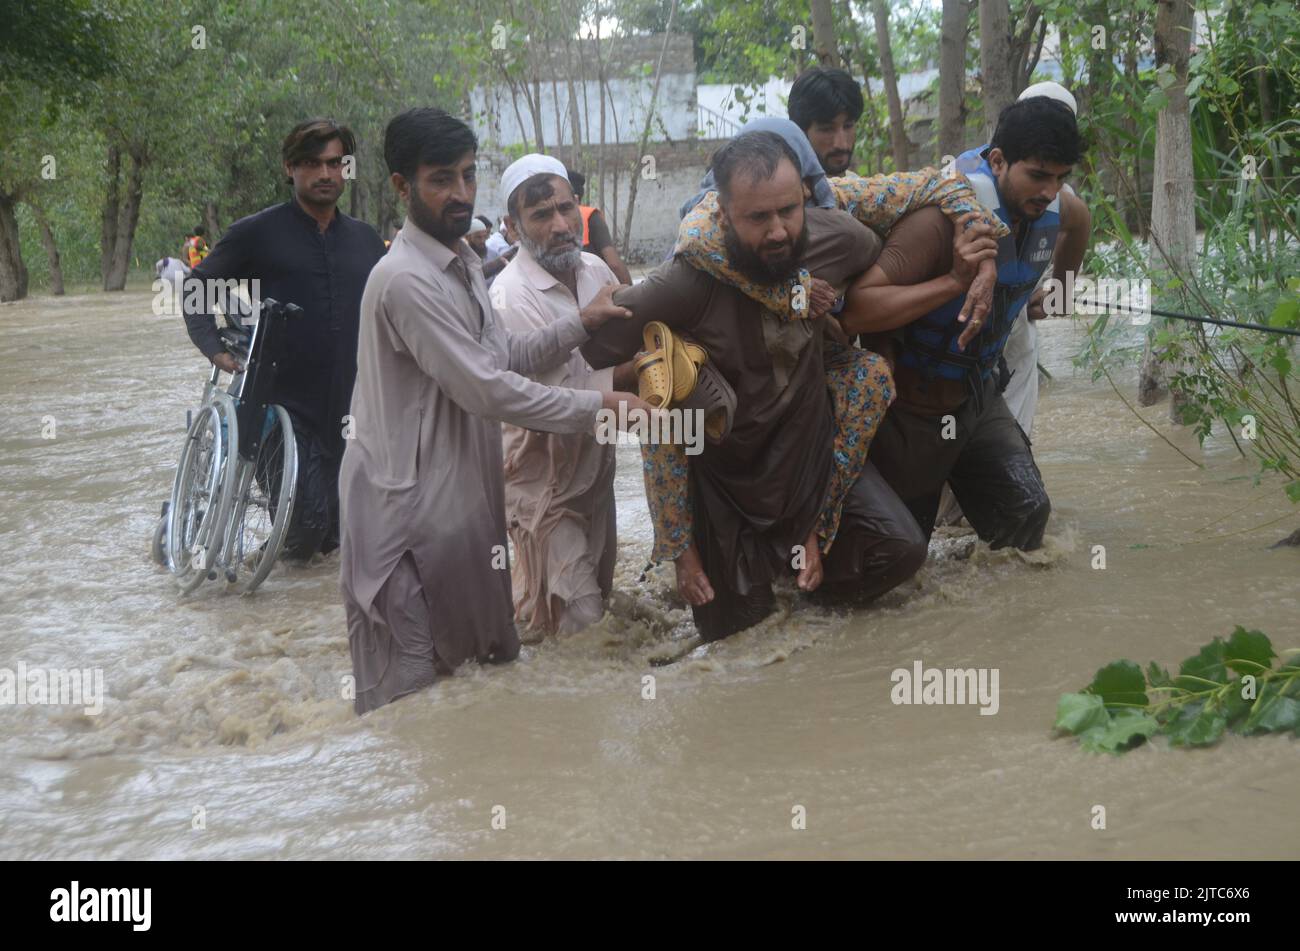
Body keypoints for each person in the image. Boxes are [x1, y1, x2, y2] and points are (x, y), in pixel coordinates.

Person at [339, 108, 646, 714]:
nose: (459, 194)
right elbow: (488, 389)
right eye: (440, 180)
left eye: (467, 175)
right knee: (411, 707)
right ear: (401, 187)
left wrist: (581, 323)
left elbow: (503, 354)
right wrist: (600, 405)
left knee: (484, 689)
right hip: (403, 518)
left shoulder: (467, 266)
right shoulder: (404, 280)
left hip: (465, 513)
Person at [583, 132, 930, 642]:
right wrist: (684, 553)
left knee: (900, 551)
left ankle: (810, 599)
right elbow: (593, 350)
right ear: (721, 217)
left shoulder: (839, 241)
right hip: (725, 482)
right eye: (757, 219)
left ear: (806, 201)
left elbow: (918, 219)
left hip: (808, 463)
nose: (778, 232)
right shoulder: (685, 282)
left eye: (788, 211)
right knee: (737, 634)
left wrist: (852, 320)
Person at [832, 96, 1084, 551]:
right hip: (910, 410)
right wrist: (954, 282)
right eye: (1039, 175)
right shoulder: (934, 224)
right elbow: (858, 309)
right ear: (998, 161)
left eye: (1061, 178)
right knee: (902, 554)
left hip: (978, 399)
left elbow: (1080, 221)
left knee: (1026, 513)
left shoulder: (1053, 210)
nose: (1050, 191)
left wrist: (1050, 296)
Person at [183, 118, 386, 561]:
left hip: (353, 406)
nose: (326, 174)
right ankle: (269, 583)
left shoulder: (367, 242)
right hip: (281, 406)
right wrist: (213, 346)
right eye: (312, 163)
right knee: (308, 525)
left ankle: (304, 601)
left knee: (341, 533)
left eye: (336, 163)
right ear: (289, 169)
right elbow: (197, 287)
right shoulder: (258, 233)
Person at [494, 154, 636, 640]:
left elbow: (613, 354)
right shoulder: (510, 295)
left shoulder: (596, 269)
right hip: (541, 483)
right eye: (541, 216)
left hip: (596, 472)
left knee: (594, 606)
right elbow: (543, 401)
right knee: (580, 622)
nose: (560, 225)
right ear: (512, 228)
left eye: (566, 208)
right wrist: (626, 381)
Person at [787, 65, 864, 176]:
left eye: (848, 126)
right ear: (800, 132)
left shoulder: (860, 186)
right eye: (827, 130)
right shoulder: (784, 191)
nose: (841, 144)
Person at [566, 168, 632, 284]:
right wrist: (631, 294)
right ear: (579, 195)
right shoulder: (589, 215)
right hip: (592, 287)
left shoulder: (546, 220)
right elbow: (614, 264)